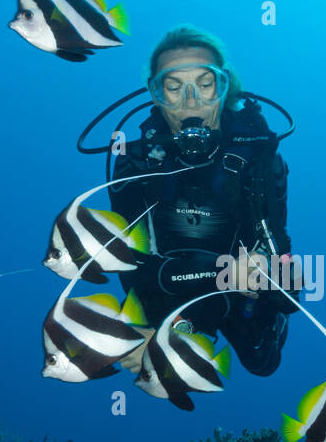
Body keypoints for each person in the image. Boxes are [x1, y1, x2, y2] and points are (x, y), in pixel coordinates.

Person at [109, 25, 296, 377]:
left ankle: (217, 317)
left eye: (205, 84)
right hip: (165, 282)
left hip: (243, 287)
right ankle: (193, 324)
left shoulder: (258, 153)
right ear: (155, 93)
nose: (191, 101)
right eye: (174, 87)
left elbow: (285, 267)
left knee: (262, 361)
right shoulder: (133, 164)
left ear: (224, 87)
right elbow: (129, 263)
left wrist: (269, 270)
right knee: (146, 361)